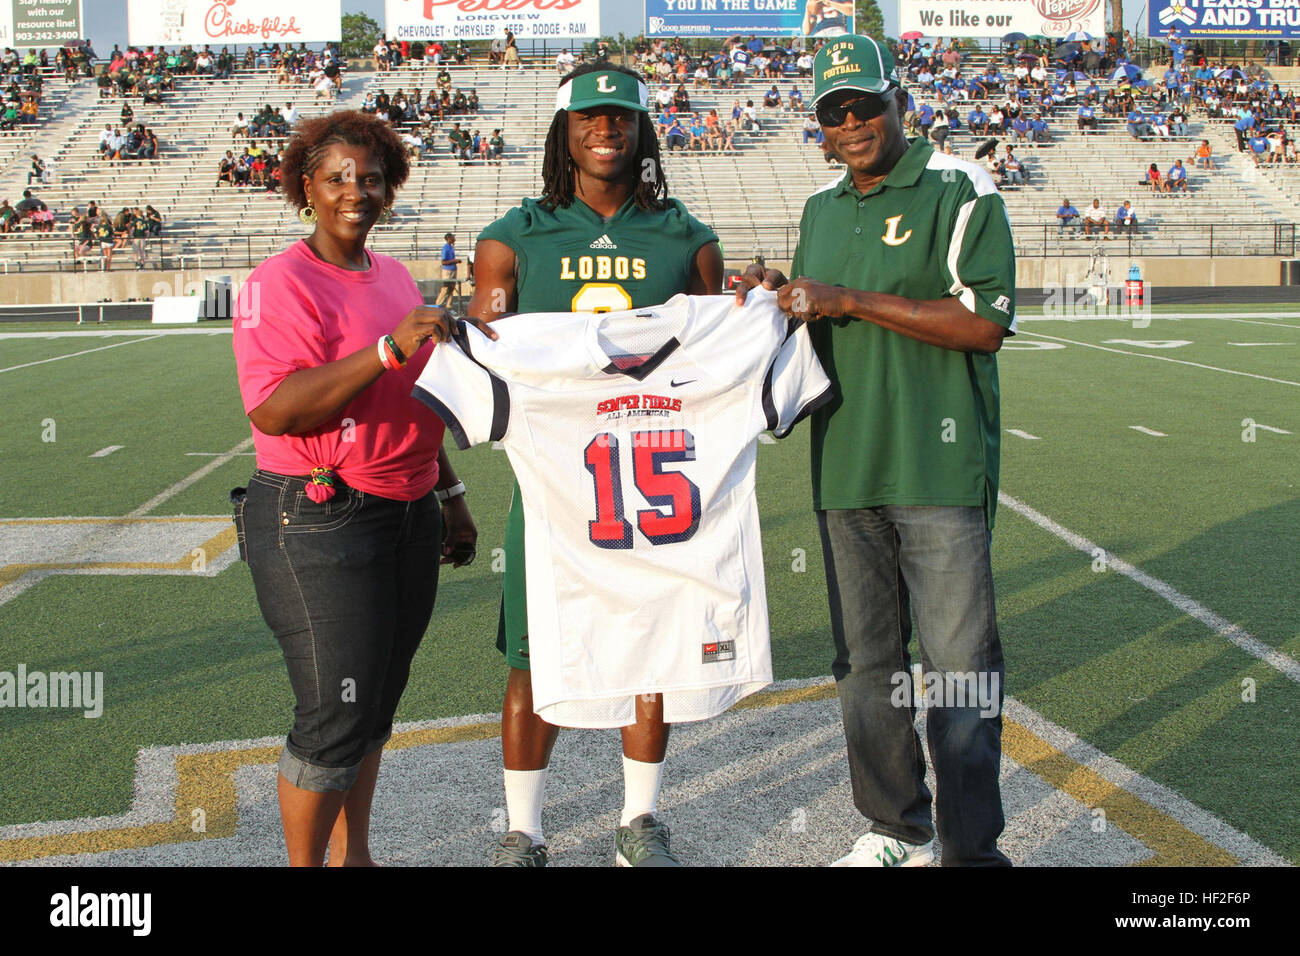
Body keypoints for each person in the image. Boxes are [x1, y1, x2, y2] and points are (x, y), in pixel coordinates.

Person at [736, 34, 1014, 867]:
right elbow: (814, 314)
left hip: (937, 464)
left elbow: (985, 324)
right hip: (845, 465)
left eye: (865, 104)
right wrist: (771, 303)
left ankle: (972, 850)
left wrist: (851, 298)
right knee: (865, 665)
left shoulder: (959, 185)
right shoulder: (822, 207)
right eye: (834, 112)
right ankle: (897, 828)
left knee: (959, 666)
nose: (852, 122)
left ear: (900, 100)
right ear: (819, 126)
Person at [463, 61, 722, 867]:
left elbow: (713, 358)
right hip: (553, 485)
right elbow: (483, 359)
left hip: (653, 474)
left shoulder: (686, 237)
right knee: (534, 655)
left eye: (620, 118)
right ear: (564, 132)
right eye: (589, 118)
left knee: (654, 647)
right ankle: (524, 831)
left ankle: (638, 822)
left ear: (642, 131)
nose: (606, 129)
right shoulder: (514, 238)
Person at [231, 111, 479, 867]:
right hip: (320, 517)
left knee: (373, 707)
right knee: (333, 714)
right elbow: (275, 406)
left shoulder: (395, 275)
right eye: (337, 177)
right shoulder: (277, 280)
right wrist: (385, 347)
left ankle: (356, 858)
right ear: (305, 186)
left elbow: (413, 397)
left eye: (370, 178)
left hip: (406, 511)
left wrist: (449, 495)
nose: (354, 190)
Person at [435, 232, 459, 307]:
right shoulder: (445, 248)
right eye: (452, 237)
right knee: (445, 288)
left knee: (451, 289)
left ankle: (449, 305)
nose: (454, 238)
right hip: (447, 271)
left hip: (453, 270)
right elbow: (443, 262)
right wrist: (454, 261)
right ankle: (438, 305)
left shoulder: (451, 247)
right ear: (449, 238)